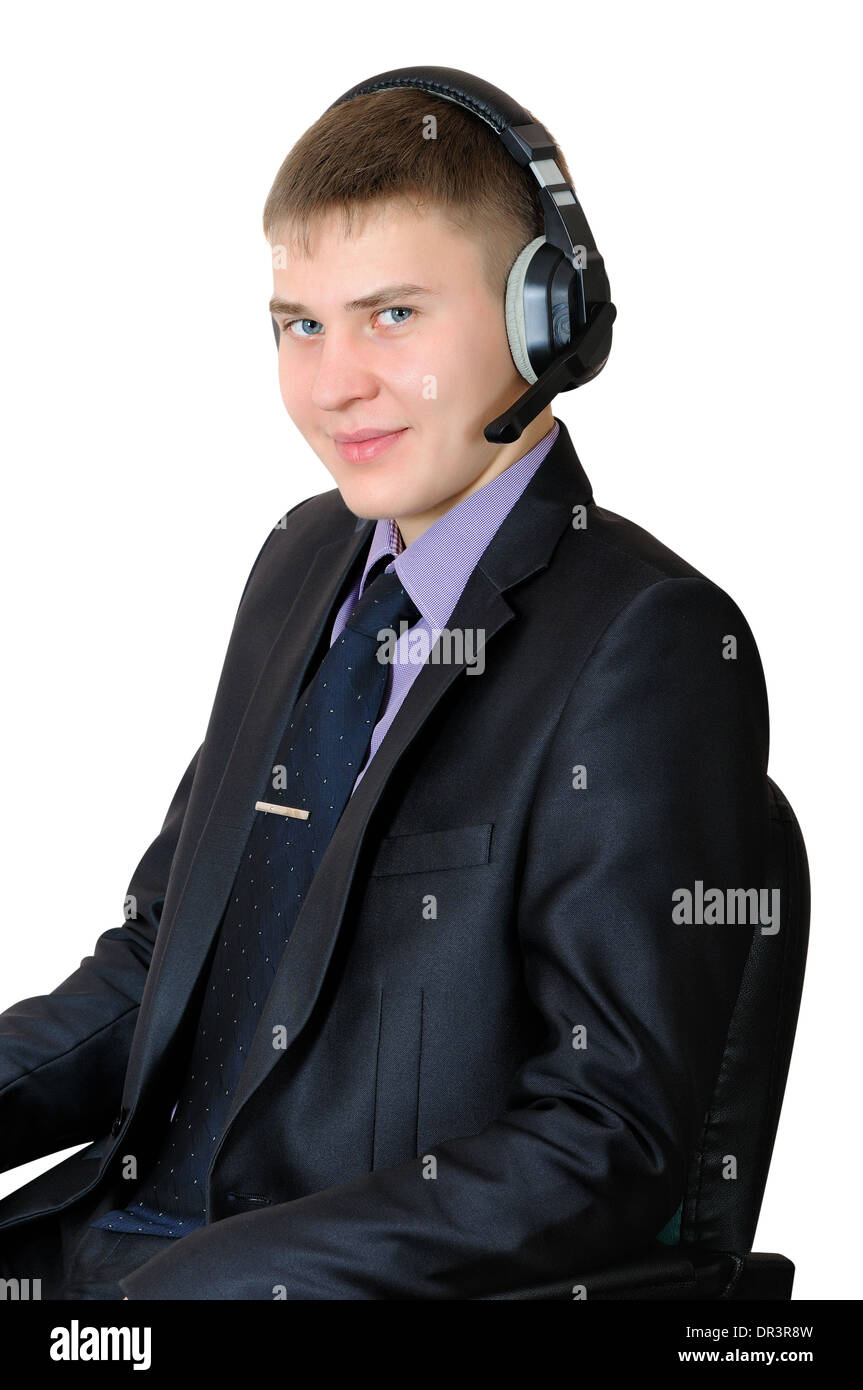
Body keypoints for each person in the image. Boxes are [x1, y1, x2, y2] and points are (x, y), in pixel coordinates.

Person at [0, 68, 771, 1300]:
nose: (333, 382)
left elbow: (607, 1135)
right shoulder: (302, 562)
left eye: (393, 315)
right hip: (112, 1241)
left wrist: (209, 1284)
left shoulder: (647, 642)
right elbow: (162, 967)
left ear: (544, 318)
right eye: (299, 324)